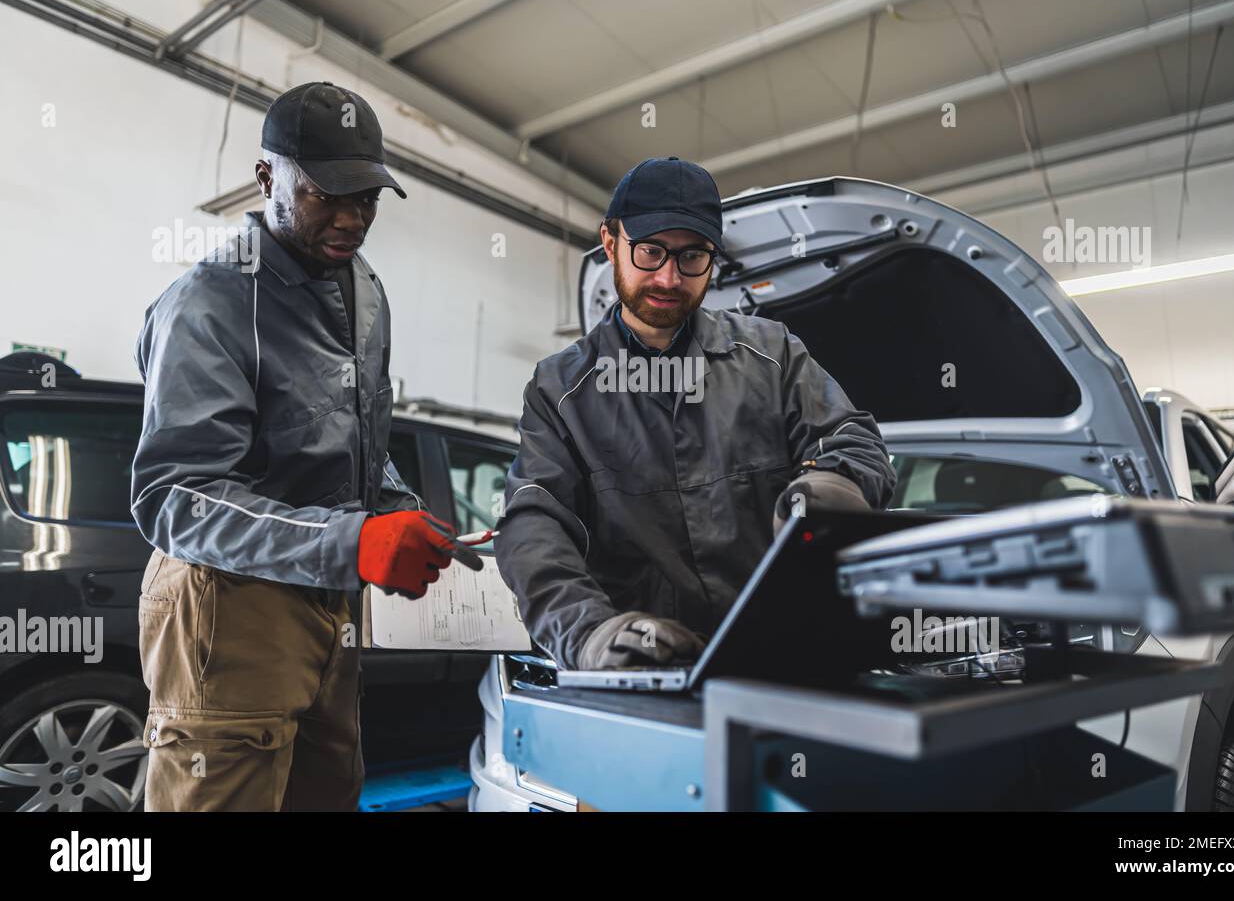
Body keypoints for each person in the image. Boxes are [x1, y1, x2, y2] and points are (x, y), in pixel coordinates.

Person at [131, 82, 461, 810]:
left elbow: (354, 435)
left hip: (329, 604)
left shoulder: (364, 290)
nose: (351, 219)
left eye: (367, 199)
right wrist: (352, 542)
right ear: (265, 177)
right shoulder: (211, 302)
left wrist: (398, 509)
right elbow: (176, 497)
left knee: (327, 794)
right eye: (325, 195)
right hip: (226, 604)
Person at [495, 156, 895, 670]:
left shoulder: (772, 355)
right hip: (646, 670)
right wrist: (589, 633)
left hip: (788, 656)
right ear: (611, 242)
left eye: (692, 257)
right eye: (651, 251)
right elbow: (533, 526)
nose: (669, 277)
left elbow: (850, 439)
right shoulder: (559, 392)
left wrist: (834, 483)